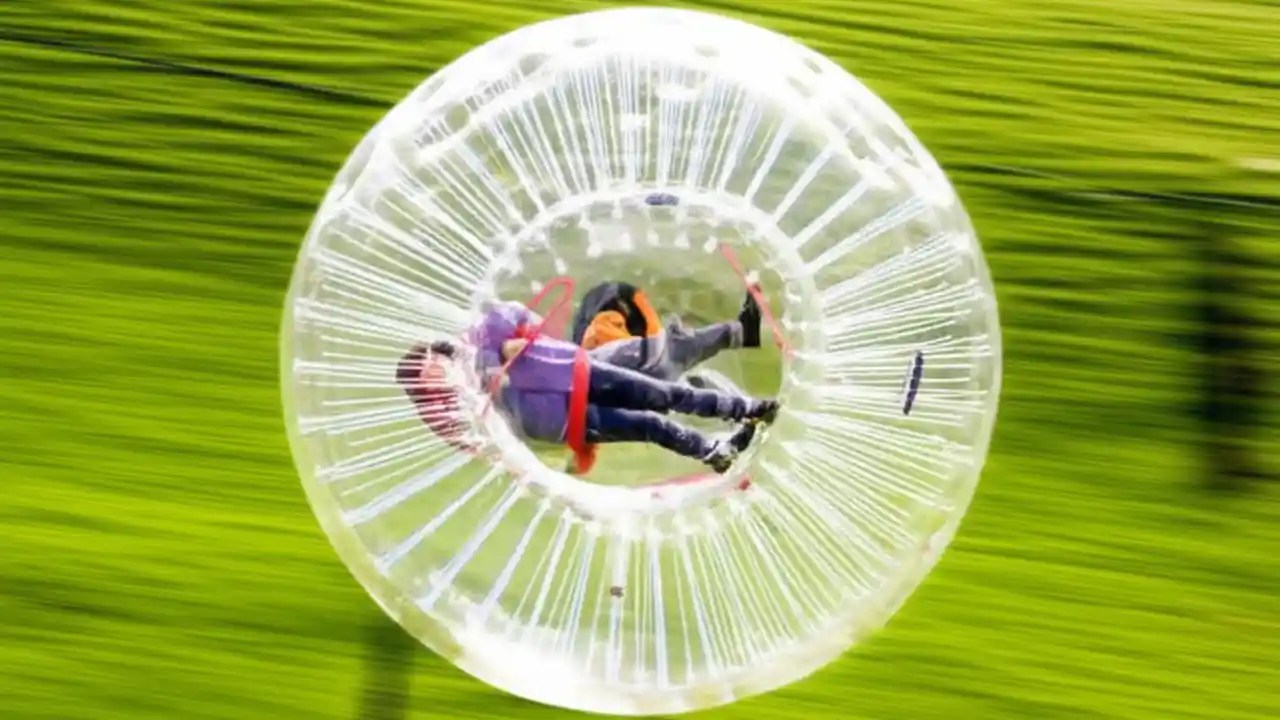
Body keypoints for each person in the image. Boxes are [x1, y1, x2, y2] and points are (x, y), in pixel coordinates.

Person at [397, 298, 777, 473]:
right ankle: (713, 451)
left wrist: (511, 345)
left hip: (572, 369)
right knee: (650, 424)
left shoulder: (473, 344)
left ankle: (746, 408)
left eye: (429, 365)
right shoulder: (453, 412)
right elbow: (487, 441)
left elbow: (516, 314)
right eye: (424, 375)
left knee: (662, 393)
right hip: (560, 418)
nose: (433, 374)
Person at [570, 280, 764, 382]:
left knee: (676, 367)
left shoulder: (613, 313)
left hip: (607, 379)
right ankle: (741, 332)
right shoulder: (605, 319)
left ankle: (740, 333)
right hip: (611, 371)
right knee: (671, 358)